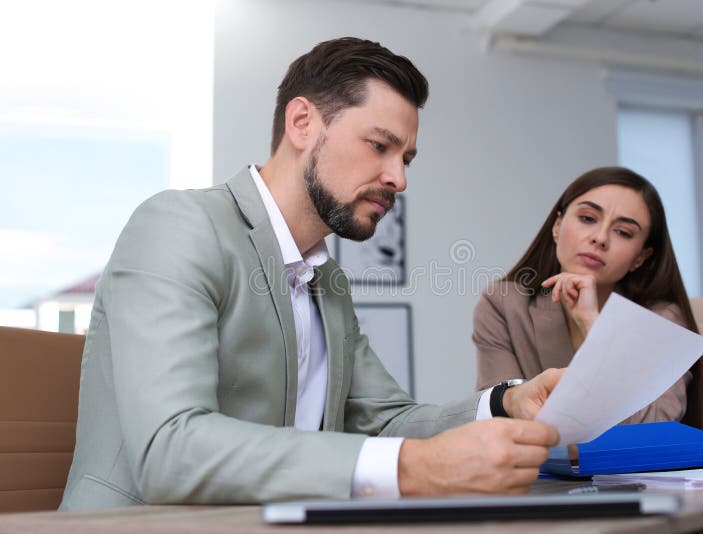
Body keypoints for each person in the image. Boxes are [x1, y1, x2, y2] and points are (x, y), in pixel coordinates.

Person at [59, 37, 564, 510]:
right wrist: (413, 467)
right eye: (379, 145)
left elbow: (385, 421)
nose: (399, 178)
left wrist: (505, 402)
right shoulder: (179, 226)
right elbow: (168, 447)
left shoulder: (327, 282)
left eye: (406, 158)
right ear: (302, 123)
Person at [473, 167, 703, 429]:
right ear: (557, 226)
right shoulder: (503, 305)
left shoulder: (661, 320)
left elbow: (650, 428)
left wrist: (594, 328)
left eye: (624, 232)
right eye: (587, 218)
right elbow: (499, 416)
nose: (600, 238)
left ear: (640, 258)